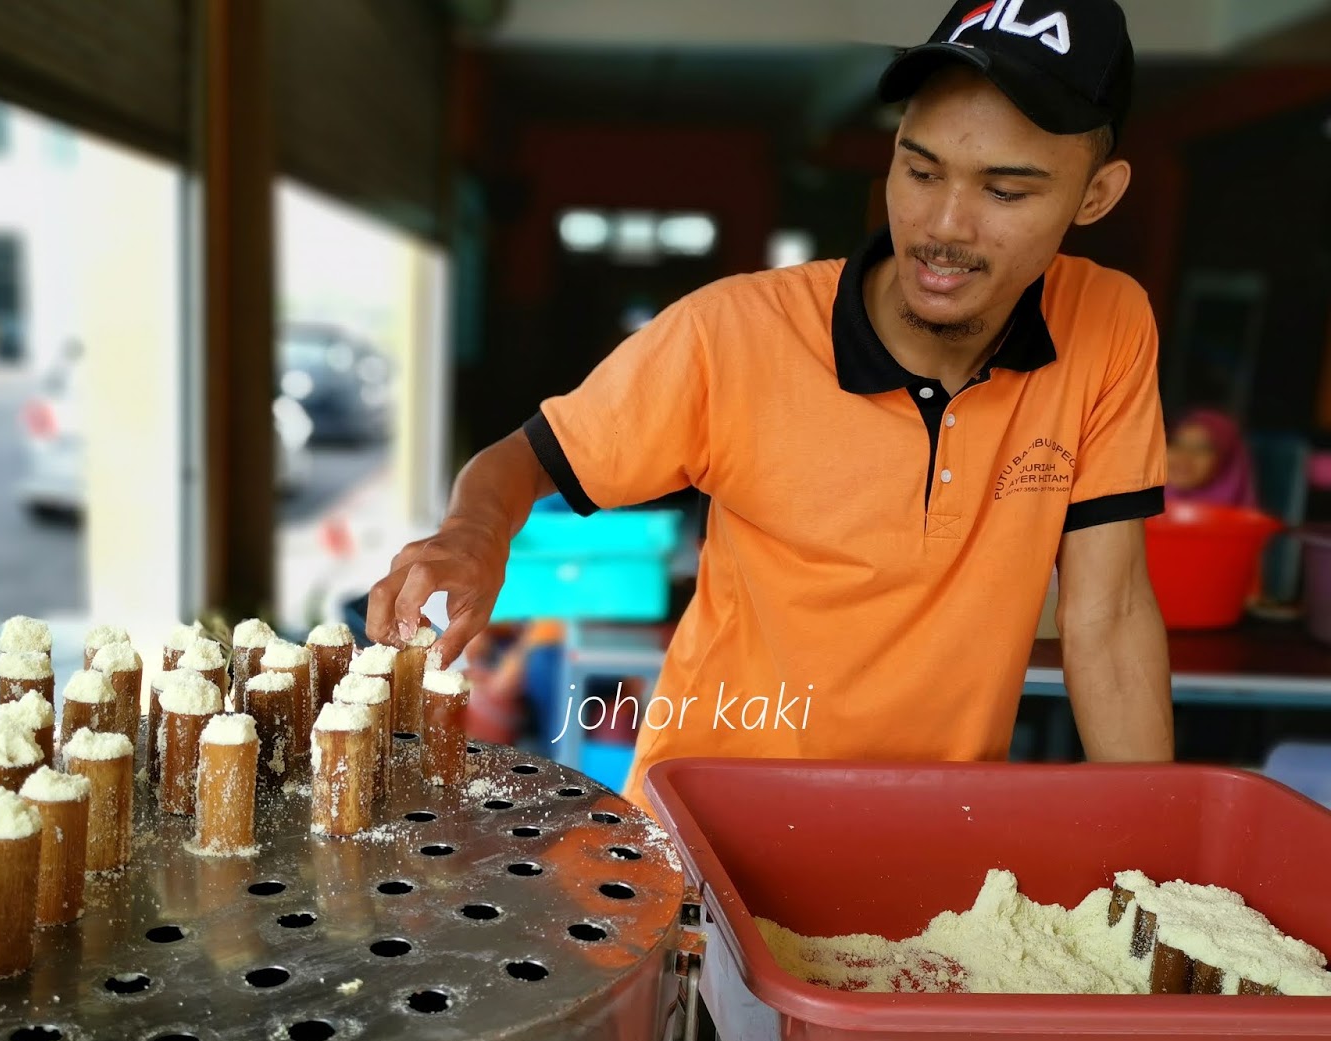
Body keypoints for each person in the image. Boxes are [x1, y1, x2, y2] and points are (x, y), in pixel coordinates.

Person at [368, 0, 1173, 815]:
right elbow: (530, 455)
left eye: (1005, 191)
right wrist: (472, 536)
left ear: (1096, 196)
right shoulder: (733, 333)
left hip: (933, 834)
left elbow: (1107, 614)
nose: (942, 226)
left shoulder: (1107, 325)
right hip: (713, 824)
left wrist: (1161, 852)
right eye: (921, 170)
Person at [1166, 409, 1258, 508]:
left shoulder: (1243, 521)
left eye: (1201, 448)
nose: (1183, 456)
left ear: (1227, 462)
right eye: (1176, 444)